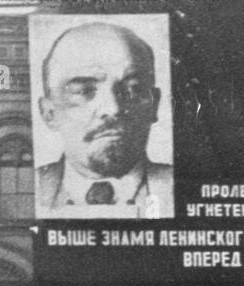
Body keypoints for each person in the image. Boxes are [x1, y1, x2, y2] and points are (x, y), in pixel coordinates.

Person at [35, 20, 173, 218]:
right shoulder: (33, 189)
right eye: (84, 91)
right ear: (49, 113)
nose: (113, 108)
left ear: (154, 104)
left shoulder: (181, 186)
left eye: (133, 89)